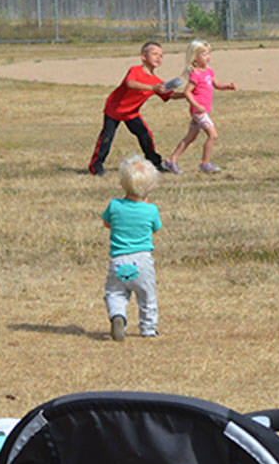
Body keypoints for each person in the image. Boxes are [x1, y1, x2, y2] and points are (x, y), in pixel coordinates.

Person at [89, 40, 180, 177]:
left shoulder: (157, 81)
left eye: (161, 55)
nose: (158, 57)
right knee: (107, 137)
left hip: (131, 113)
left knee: (145, 135)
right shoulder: (135, 70)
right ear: (143, 56)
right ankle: (96, 166)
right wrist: (152, 88)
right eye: (154, 54)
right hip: (114, 109)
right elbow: (130, 83)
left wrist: (189, 94)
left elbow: (170, 95)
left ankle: (155, 163)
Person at [101, 155, 163, 341]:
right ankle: (148, 329)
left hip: (118, 261)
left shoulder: (114, 205)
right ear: (151, 186)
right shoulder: (151, 210)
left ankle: (118, 315)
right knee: (147, 296)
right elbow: (156, 228)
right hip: (143, 261)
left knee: (115, 293)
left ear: (122, 184)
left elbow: (107, 222)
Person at [169, 38, 236, 175]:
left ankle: (172, 160)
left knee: (190, 137)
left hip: (202, 110)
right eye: (204, 54)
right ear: (195, 57)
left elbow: (216, 85)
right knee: (213, 135)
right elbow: (187, 92)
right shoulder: (196, 74)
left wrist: (227, 87)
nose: (208, 57)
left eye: (209, 53)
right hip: (198, 112)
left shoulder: (209, 71)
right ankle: (205, 163)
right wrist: (196, 105)